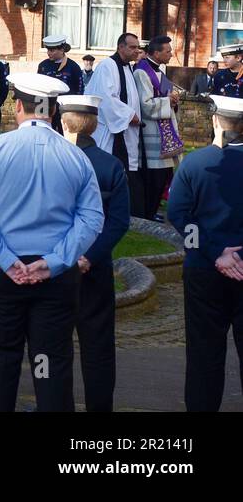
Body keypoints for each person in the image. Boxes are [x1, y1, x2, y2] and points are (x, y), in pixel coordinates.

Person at [0, 73, 103, 412]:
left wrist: (6, 258)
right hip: (53, 277)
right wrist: (55, 261)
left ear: (19, 106)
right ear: (52, 112)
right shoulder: (77, 158)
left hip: (1, 274)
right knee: (49, 363)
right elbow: (91, 219)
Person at [166, 94, 243, 412]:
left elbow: (179, 215)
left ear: (214, 121)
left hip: (203, 270)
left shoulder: (193, 164)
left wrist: (215, 254)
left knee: (203, 352)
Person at [58, 93, 130, 413]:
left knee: (53, 346)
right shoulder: (111, 165)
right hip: (95, 267)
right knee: (98, 346)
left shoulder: (50, 160)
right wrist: (90, 256)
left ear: (63, 123)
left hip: (55, 267)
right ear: (96, 124)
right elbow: (118, 222)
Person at [89, 32, 149, 218]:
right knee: (116, 170)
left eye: (137, 47)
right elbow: (107, 99)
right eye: (132, 47)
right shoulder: (108, 66)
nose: (136, 50)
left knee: (129, 171)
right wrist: (132, 117)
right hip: (112, 131)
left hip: (126, 130)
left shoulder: (127, 68)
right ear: (120, 47)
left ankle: (129, 213)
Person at [133, 35, 183, 220]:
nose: (171, 54)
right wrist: (167, 101)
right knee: (152, 177)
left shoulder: (160, 72)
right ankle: (147, 213)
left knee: (163, 176)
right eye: (168, 51)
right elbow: (144, 105)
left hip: (162, 132)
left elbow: (164, 100)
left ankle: (152, 211)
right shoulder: (142, 72)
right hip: (150, 135)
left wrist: (173, 101)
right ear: (156, 53)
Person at [37, 34, 84, 131]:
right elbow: (38, 89)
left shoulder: (73, 67)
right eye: (47, 50)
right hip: (45, 109)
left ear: (62, 50)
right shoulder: (43, 66)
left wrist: (74, 111)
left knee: (66, 136)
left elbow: (79, 90)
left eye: (52, 50)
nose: (48, 53)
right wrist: (39, 112)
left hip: (66, 110)